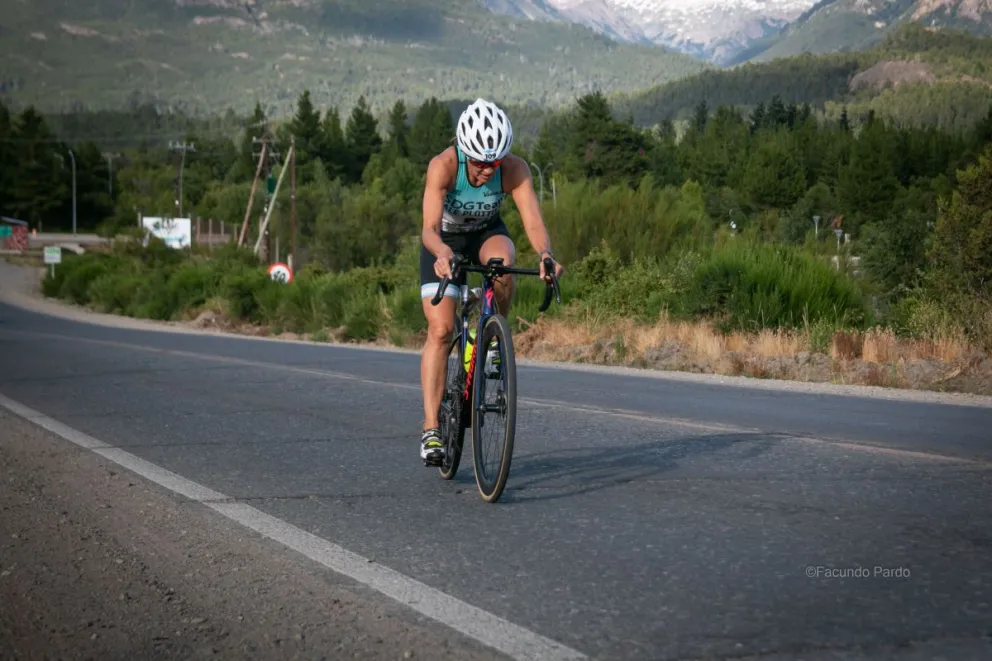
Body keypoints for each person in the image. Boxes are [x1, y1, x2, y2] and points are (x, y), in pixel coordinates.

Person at [418, 98, 564, 465]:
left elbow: (531, 220)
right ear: (465, 152)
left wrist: (546, 254)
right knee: (440, 330)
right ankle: (432, 429)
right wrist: (441, 254)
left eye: (493, 163)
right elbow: (429, 228)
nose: (487, 171)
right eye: (481, 163)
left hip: (485, 234)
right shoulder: (444, 166)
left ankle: (494, 334)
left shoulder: (514, 169)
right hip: (445, 243)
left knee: (502, 263)